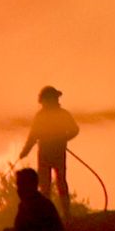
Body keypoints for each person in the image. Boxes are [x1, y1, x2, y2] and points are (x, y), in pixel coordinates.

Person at [19, 85, 81, 219]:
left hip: (55, 153)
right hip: (46, 154)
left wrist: (64, 138)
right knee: (46, 186)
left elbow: (74, 130)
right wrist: (25, 151)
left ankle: (66, 213)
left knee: (60, 183)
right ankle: (48, 216)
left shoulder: (59, 114)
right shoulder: (44, 116)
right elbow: (33, 136)